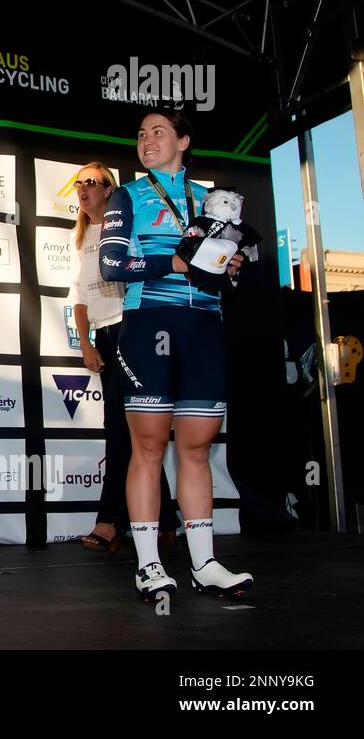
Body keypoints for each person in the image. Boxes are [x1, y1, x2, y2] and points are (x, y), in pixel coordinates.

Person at [99, 111, 252, 600]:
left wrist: (234, 264)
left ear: (183, 141)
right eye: (141, 134)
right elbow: (111, 264)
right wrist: (175, 261)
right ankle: (148, 565)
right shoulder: (128, 195)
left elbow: (231, 264)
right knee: (147, 447)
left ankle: (203, 562)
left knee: (196, 449)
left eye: (158, 132)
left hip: (205, 324)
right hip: (150, 325)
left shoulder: (213, 201)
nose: (147, 140)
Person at [69, 162, 179, 554]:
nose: (83, 190)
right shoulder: (82, 237)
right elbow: (80, 298)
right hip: (105, 334)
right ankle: (165, 521)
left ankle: (111, 521)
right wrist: (86, 344)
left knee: (124, 430)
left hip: (133, 329)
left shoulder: (124, 227)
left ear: (110, 190)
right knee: (134, 432)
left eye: (91, 183)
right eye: (78, 184)